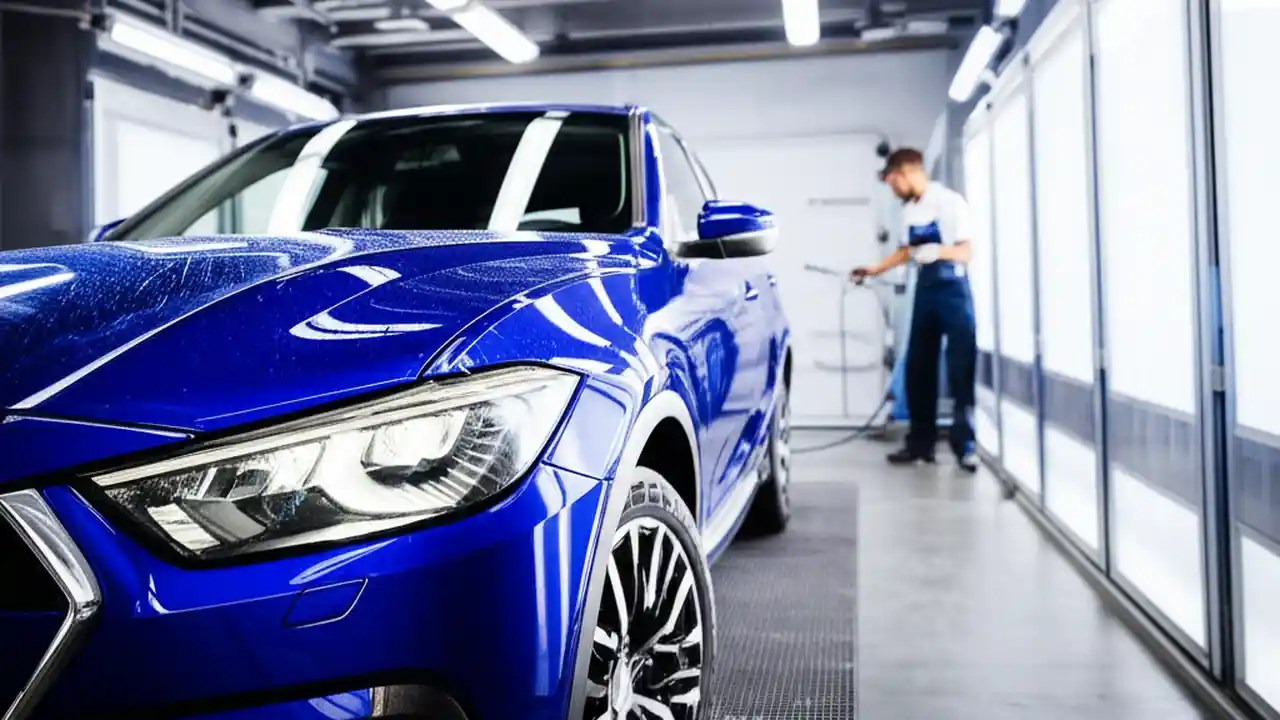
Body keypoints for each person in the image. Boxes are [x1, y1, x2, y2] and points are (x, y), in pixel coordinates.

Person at [853, 148, 979, 472]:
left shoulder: (949, 202)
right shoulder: (909, 211)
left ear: (905, 173)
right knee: (918, 367)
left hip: (953, 288)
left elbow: (966, 251)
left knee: (960, 367)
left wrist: (938, 251)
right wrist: (872, 270)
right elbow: (906, 251)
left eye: (893, 181)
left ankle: (965, 445)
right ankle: (921, 445)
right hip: (925, 291)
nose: (893, 189)